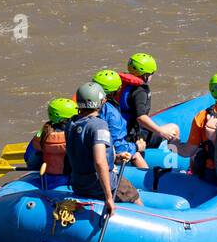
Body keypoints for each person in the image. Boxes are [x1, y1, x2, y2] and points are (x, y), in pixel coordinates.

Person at [64, 82, 140, 211]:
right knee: (134, 196)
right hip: (98, 184)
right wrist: (109, 198)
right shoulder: (99, 125)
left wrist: (116, 157)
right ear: (102, 101)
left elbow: (83, 153)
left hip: (79, 184)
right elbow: (99, 162)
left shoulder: (71, 124)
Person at [116, 52, 182, 150]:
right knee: (174, 128)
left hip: (119, 130)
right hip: (132, 136)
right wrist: (160, 131)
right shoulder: (140, 91)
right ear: (145, 74)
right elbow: (141, 117)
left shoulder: (121, 85)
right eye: (152, 73)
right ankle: (174, 155)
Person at [91, 68, 149, 171]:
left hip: (89, 151)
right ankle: (149, 180)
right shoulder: (112, 113)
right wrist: (136, 147)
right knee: (136, 155)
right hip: (105, 155)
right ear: (117, 91)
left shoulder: (85, 108)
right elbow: (118, 146)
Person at [23, 97, 77, 176]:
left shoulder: (41, 134)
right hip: (72, 175)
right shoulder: (76, 134)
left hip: (47, 174)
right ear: (64, 120)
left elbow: (30, 161)